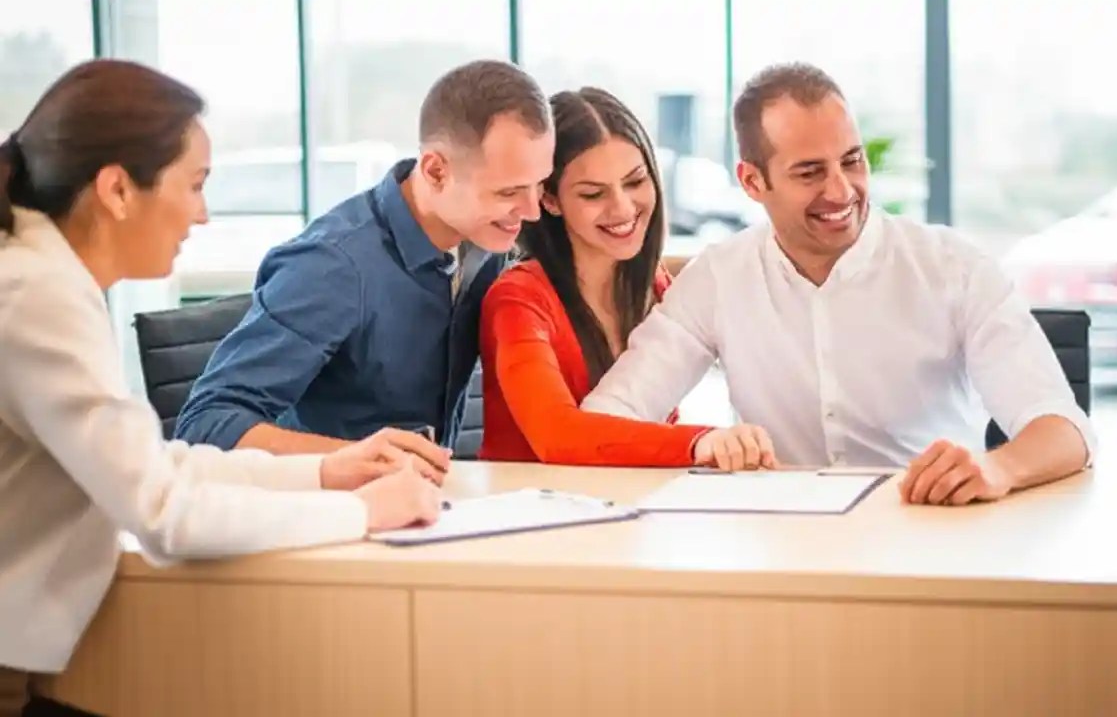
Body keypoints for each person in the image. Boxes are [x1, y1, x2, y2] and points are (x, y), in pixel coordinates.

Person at [0, 60, 446, 717]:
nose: (203, 216)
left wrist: (326, 471)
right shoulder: (38, 294)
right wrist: (365, 512)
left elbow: (152, 464)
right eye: (196, 185)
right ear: (118, 190)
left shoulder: (44, 278)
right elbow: (166, 514)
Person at [582, 63, 1096, 505]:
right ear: (753, 182)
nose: (840, 190)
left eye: (851, 161)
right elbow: (609, 418)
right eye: (809, 173)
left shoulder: (952, 267)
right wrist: (701, 443)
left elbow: (1066, 431)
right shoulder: (718, 277)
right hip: (784, 554)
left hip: (933, 534)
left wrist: (996, 469)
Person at [174, 60, 555, 455]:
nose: (531, 211)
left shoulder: (484, 241)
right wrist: (353, 458)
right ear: (436, 171)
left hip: (433, 502)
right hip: (332, 507)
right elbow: (205, 425)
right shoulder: (331, 264)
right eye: (508, 192)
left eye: (538, 185)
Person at [478, 87, 775, 470]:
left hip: (627, 509)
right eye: (592, 194)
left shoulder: (653, 285)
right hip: (531, 513)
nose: (622, 208)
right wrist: (700, 443)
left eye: (635, 182)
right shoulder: (518, 299)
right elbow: (557, 436)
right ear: (549, 199)